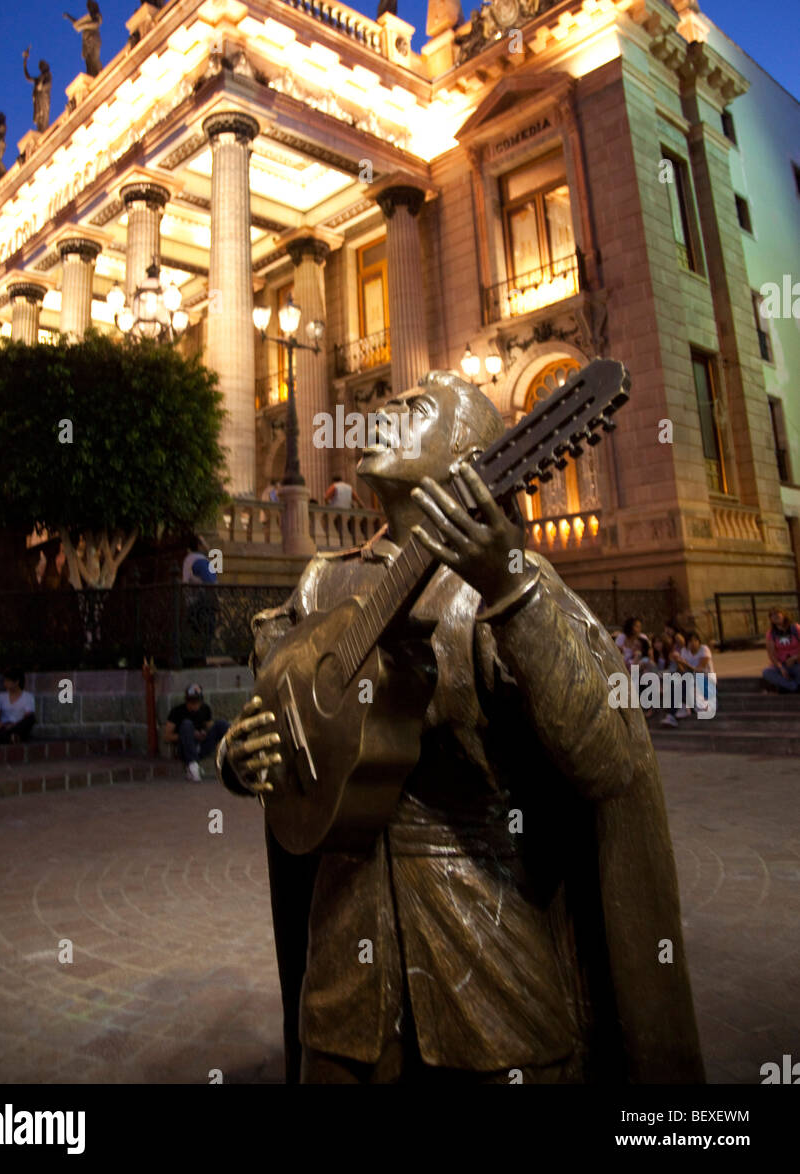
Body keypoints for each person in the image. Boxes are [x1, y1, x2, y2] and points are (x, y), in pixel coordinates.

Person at [219, 370, 703, 1085]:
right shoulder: (321, 584)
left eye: (414, 409)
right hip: (344, 969)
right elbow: (270, 715)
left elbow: (607, 760)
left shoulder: (508, 581)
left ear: (468, 458)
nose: (383, 413)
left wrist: (510, 590)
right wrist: (240, 754)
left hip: (487, 959)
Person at [164, 683, 229, 783]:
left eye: (197, 702)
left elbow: (210, 728)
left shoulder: (205, 709)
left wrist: (203, 733)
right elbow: (167, 736)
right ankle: (192, 767)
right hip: (185, 748)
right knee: (187, 724)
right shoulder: (177, 711)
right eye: (192, 702)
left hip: (201, 746)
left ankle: (234, 754)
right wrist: (188, 735)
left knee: (221, 724)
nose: (195, 705)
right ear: (187, 701)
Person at [674, 630, 716, 717]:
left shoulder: (704, 649)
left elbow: (700, 669)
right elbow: (683, 670)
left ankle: (694, 705)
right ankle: (683, 706)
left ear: (699, 641)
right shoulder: (684, 651)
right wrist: (678, 662)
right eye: (690, 641)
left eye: (695, 640)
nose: (693, 643)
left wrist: (685, 664)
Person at [763, 607, 800, 693]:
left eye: (777, 613)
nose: (775, 616)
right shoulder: (771, 633)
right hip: (782, 665)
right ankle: (793, 687)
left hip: (797, 663)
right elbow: (771, 654)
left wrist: (795, 658)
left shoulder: (795, 628)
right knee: (767, 672)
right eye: (772, 615)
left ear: (783, 614)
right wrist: (781, 668)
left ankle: (786, 688)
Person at [0, 670, 35, 743]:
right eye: (4, 681)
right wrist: (0, 724)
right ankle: (9, 738)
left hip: (17, 727)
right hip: (4, 726)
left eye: (8, 681)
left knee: (31, 718)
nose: (5, 684)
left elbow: (27, 717)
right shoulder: (1, 696)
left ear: (16, 682)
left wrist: (13, 725)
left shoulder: (28, 697)